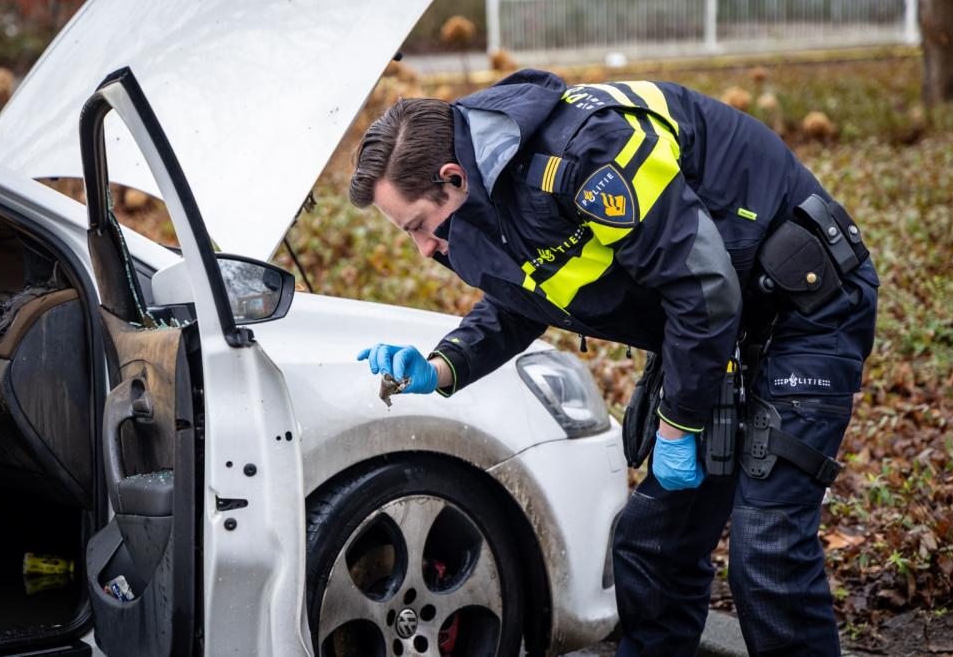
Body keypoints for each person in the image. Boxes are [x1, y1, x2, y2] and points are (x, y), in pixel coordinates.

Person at [350, 69, 877, 656]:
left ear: (453, 177)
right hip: (713, 332)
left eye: (419, 226)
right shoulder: (480, 201)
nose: (424, 248)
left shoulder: (585, 153)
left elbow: (701, 286)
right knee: (653, 547)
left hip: (806, 305)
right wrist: (442, 366)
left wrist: (678, 426)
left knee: (767, 552)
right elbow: (521, 301)